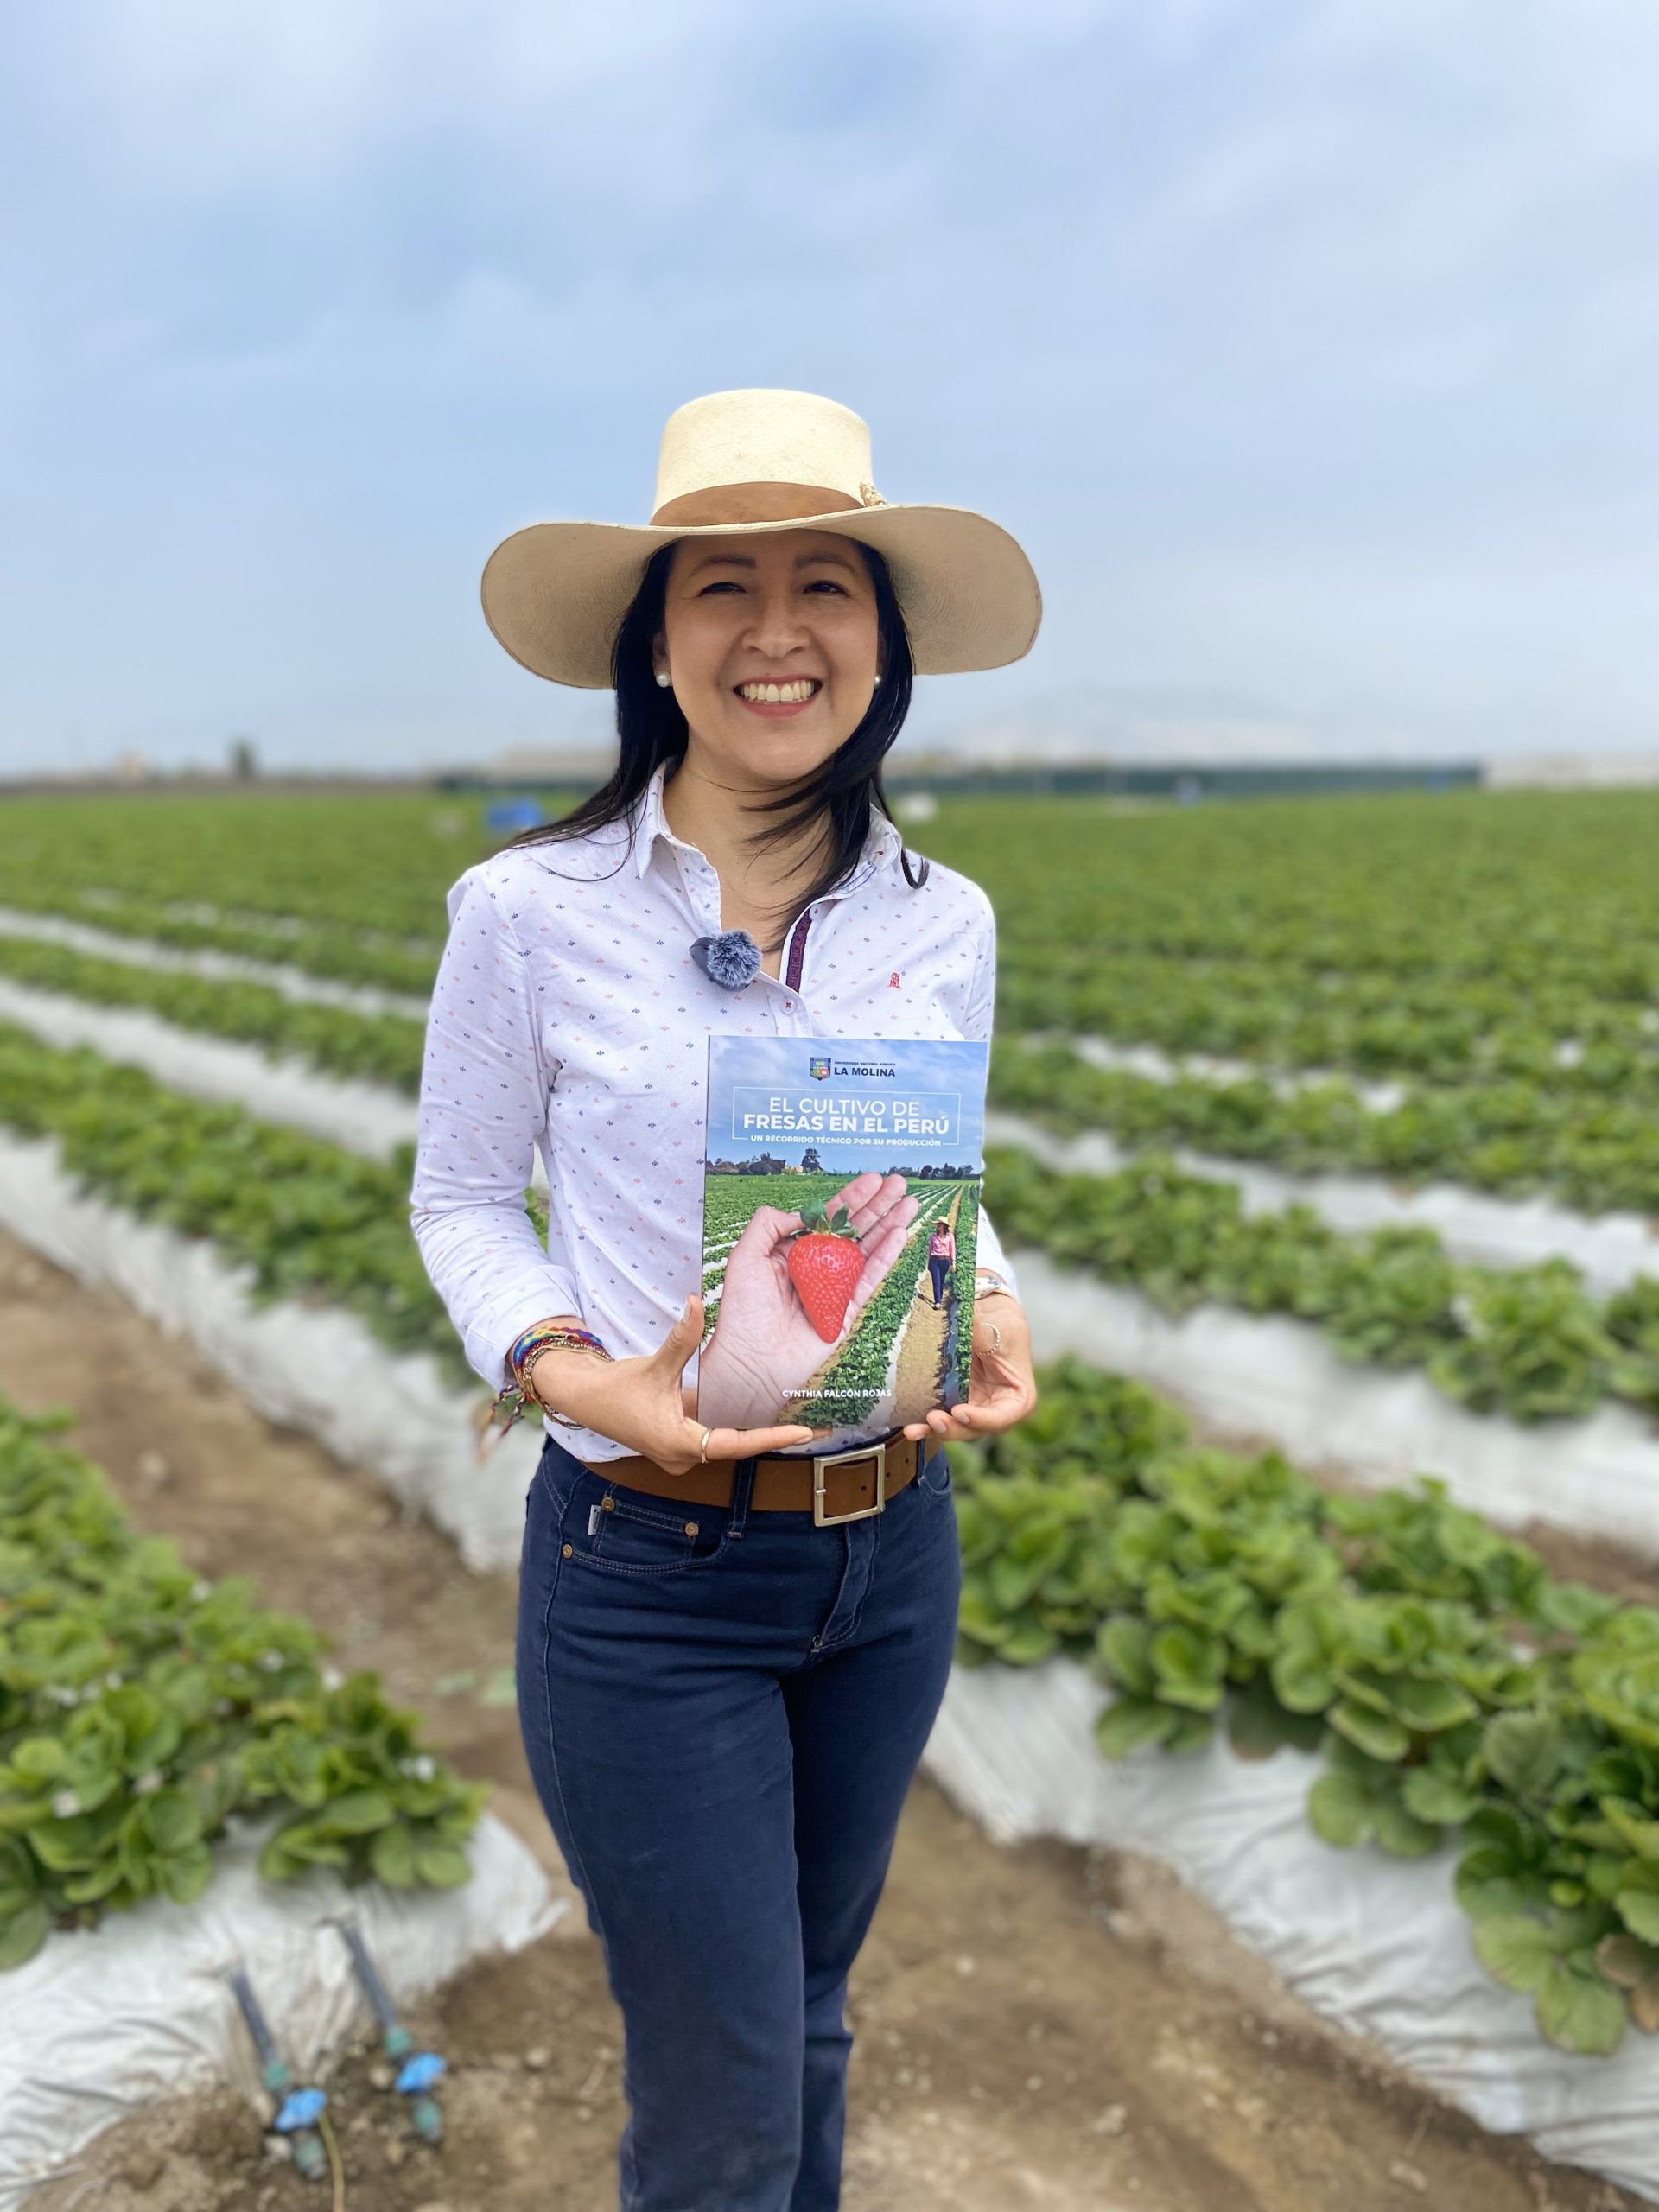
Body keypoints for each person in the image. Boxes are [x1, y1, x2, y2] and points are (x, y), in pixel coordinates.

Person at [410, 386, 1041, 2212]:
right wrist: (576, 1373)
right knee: (729, 2086)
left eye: (827, 583)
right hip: (649, 1569)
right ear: (659, 644)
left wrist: (982, 1296)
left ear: (884, 641)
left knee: (815, 2016)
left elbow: (946, 1179)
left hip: (888, 1550)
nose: (779, 629)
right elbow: (459, 1194)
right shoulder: (531, 909)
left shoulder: (947, 914)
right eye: (723, 587)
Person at [925, 1215, 956, 1306]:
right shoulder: (933, 1237)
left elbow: (952, 1250)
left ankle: (939, 1297)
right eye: (937, 1224)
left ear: (944, 1226)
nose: (938, 1225)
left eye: (940, 1224)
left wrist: (953, 1262)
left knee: (941, 1281)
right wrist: (928, 1262)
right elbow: (930, 1250)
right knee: (936, 1281)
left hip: (945, 1261)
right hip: (934, 1261)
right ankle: (937, 1302)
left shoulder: (950, 1237)